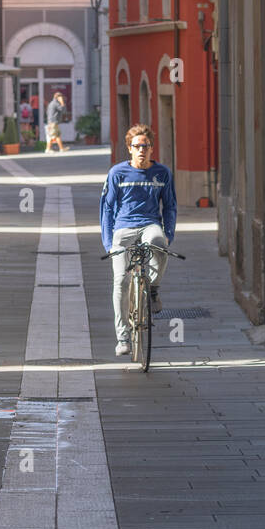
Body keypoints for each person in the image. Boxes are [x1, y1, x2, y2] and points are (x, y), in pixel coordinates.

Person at [100, 123, 176, 356]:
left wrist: (168, 234)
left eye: (146, 146)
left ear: (152, 148)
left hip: (150, 224)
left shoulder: (162, 173)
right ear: (129, 148)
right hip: (123, 229)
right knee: (120, 282)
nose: (142, 150)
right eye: (137, 146)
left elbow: (170, 206)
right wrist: (108, 243)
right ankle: (123, 337)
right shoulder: (117, 173)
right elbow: (107, 208)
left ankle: (152, 288)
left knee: (159, 243)